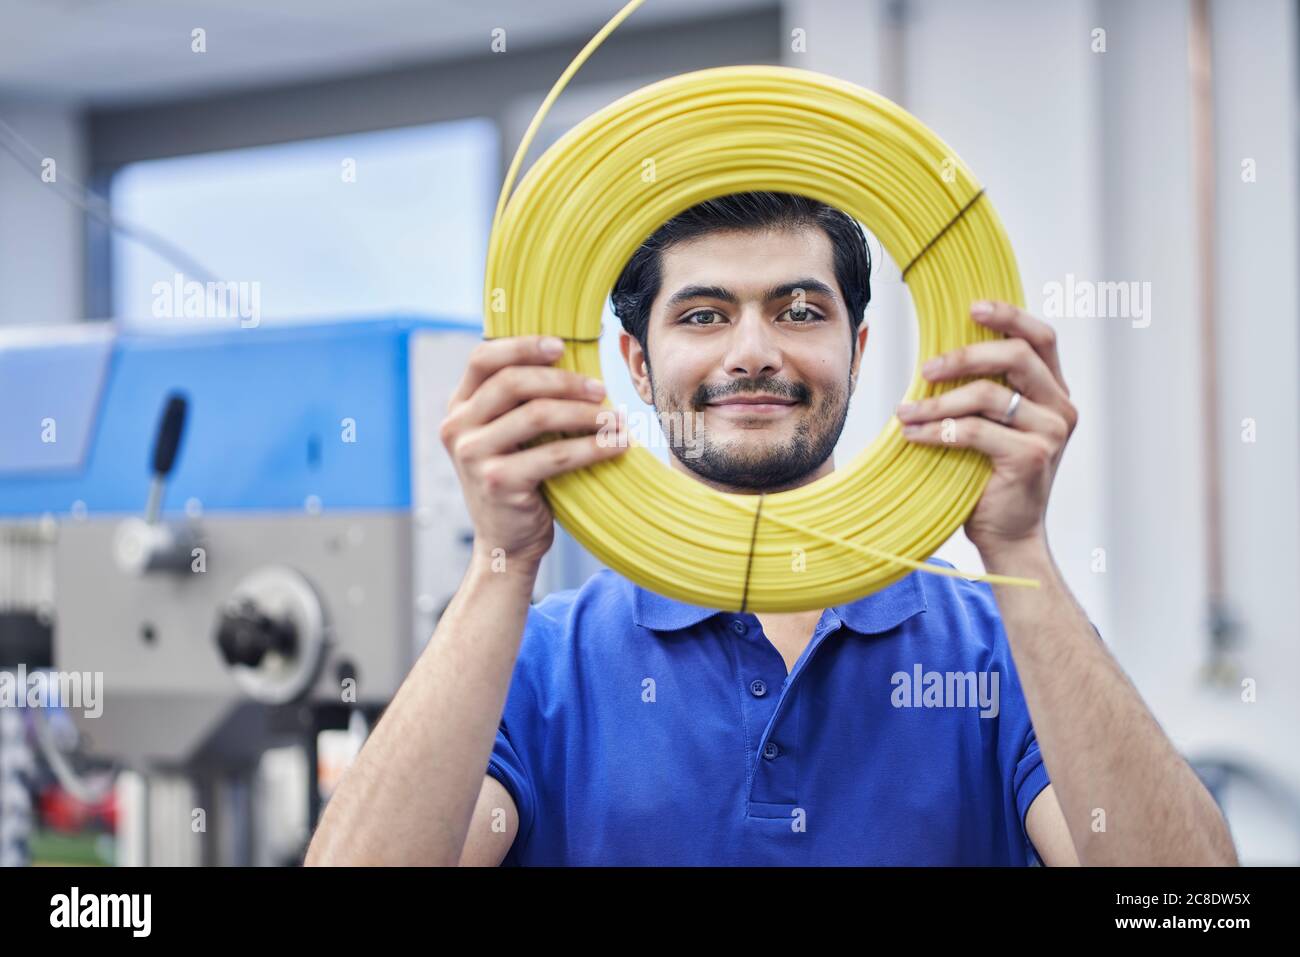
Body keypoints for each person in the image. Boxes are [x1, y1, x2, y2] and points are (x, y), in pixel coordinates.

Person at [305, 192, 1237, 866]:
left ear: (859, 349)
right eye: (704, 315)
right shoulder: (544, 663)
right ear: (635, 361)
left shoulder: (993, 649)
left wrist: (1020, 551)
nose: (753, 352)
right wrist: (501, 568)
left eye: (799, 310)